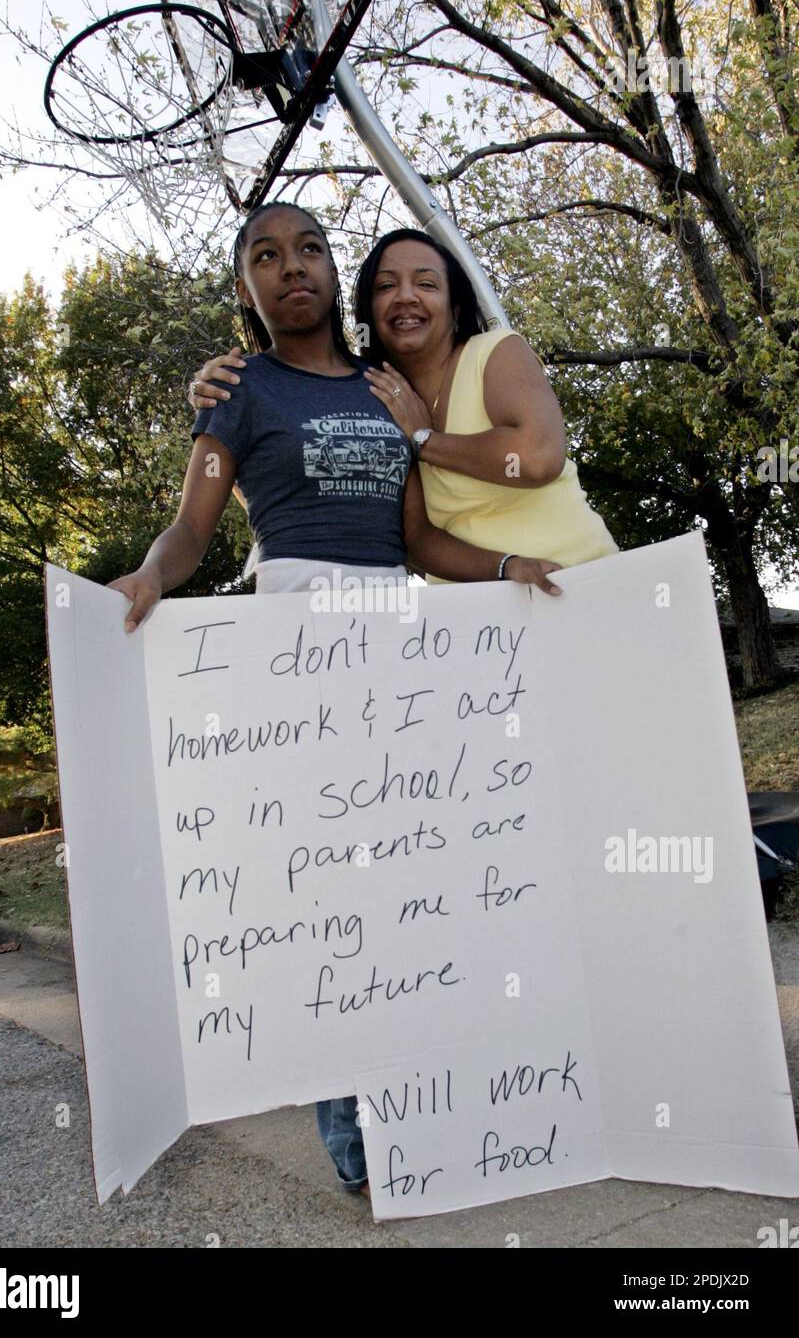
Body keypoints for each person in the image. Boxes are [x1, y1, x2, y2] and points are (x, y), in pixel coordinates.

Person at [107, 201, 563, 1200]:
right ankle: (360, 1149)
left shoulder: (381, 386)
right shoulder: (235, 392)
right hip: (293, 658)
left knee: (414, 888)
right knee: (325, 903)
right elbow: (191, 528)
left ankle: (443, 1107)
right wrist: (147, 576)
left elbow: (416, 541)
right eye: (264, 257)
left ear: (331, 267)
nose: (290, 268)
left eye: (308, 248)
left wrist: (503, 563)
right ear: (245, 288)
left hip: (396, 651)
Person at [190, 228, 618, 578]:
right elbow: (385, 529)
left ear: (454, 306)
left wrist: (424, 440)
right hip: (473, 627)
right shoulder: (368, 397)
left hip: (577, 580)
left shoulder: (494, 353)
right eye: (386, 286)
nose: (406, 297)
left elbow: (538, 459)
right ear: (368, 310)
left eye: (426, 283)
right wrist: (222, 409)